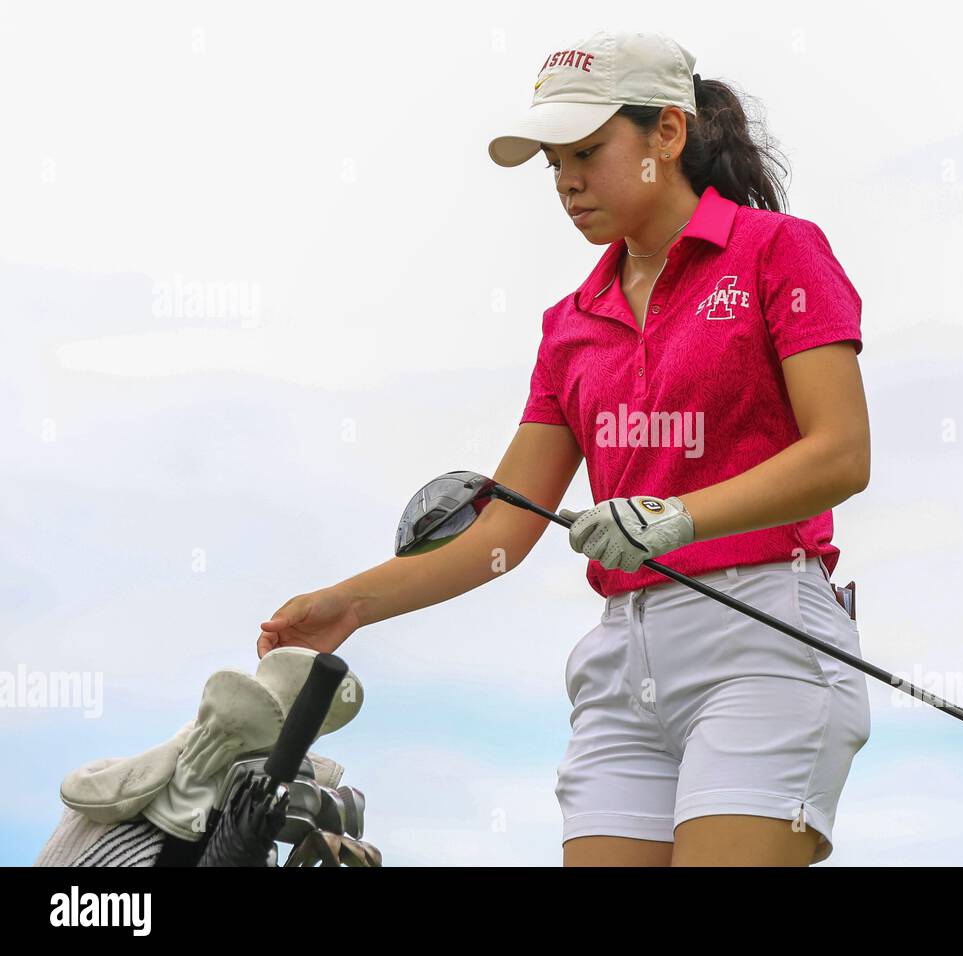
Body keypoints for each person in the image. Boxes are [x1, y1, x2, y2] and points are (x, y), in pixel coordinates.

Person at [258, 29, 873, 867]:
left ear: (668, 134)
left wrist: (675, 517)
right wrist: (354, 603)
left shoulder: (778, 252)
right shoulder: (570, 324)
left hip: (764, 638)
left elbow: (841, 455)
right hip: (623, 660)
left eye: (587, 150)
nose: (567, 181)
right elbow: (503, 531)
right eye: (554, 162)